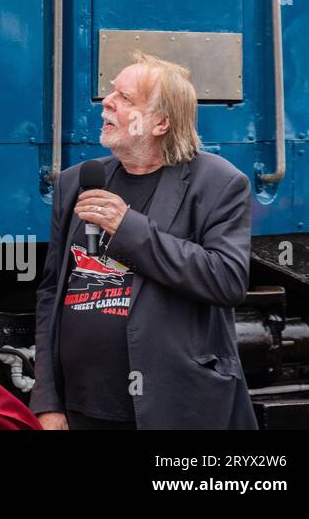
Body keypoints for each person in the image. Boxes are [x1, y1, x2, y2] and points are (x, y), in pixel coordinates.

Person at [29, 52, 257, 429]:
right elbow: (52, 293)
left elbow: (227, 279)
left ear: (161, 122)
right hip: (83, 408)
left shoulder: (218, 183)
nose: (107, 102)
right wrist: (48, 400)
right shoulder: (76, 182)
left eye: (125, 98)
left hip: (173, 408)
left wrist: (128, 228)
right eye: (110, 92)